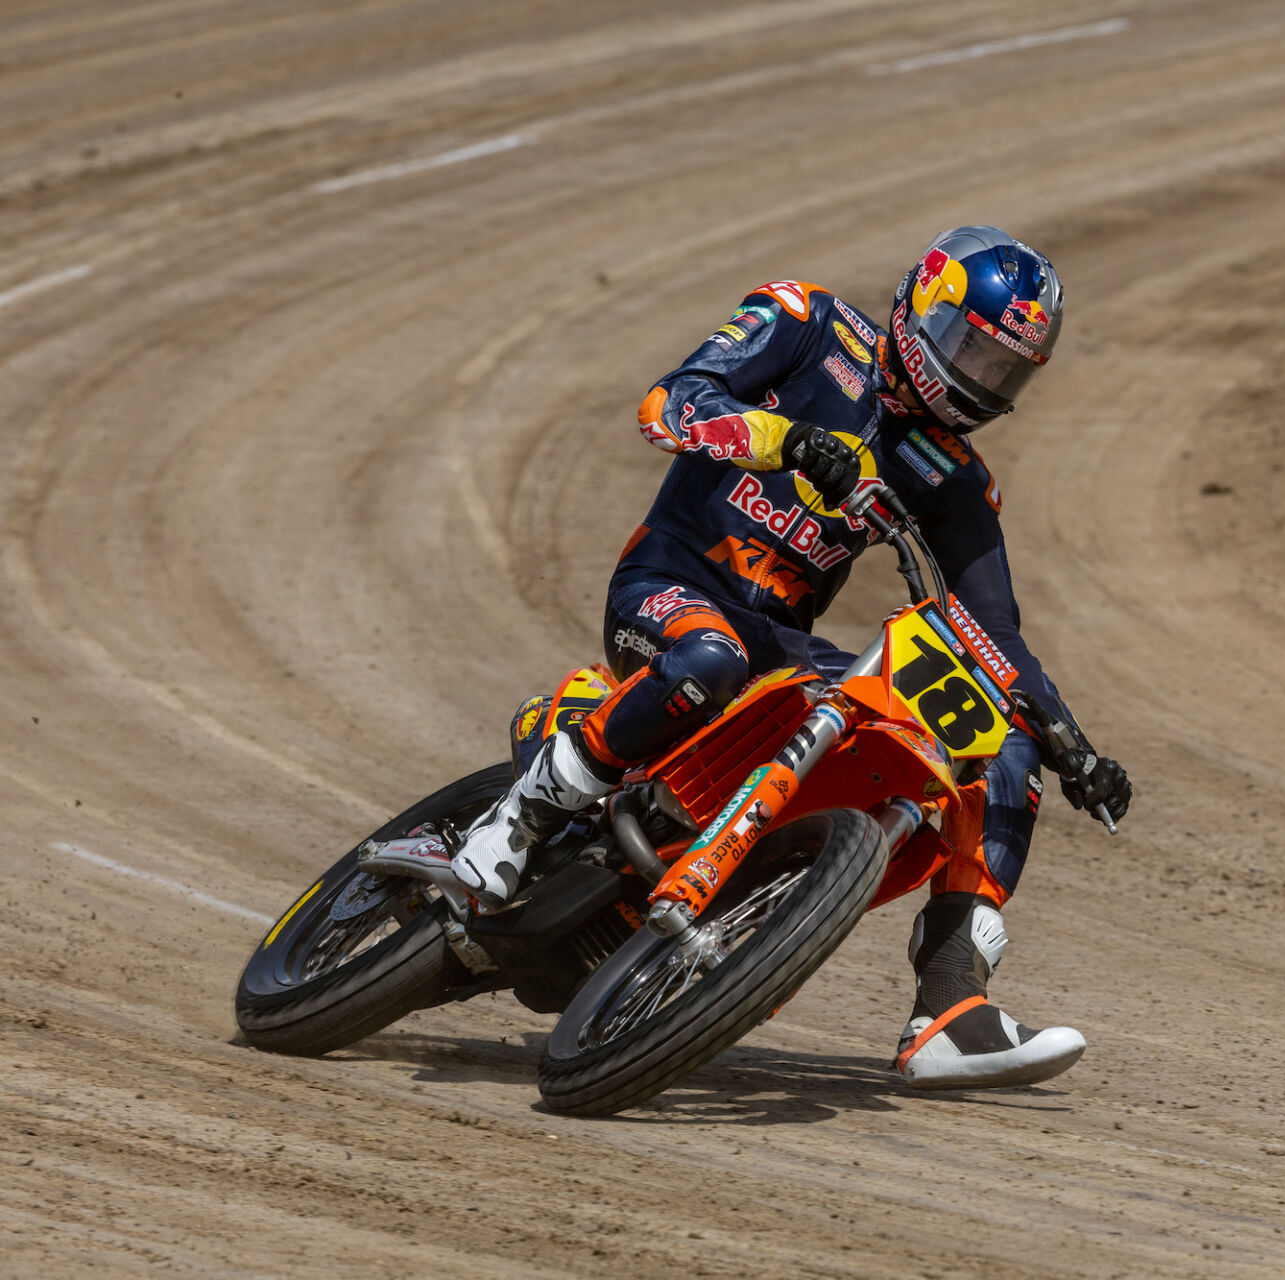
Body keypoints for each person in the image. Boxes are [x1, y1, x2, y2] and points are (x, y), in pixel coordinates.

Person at [451, 226, 1131, 1089]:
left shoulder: (951, 472)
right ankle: (523, 812)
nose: (977, 379)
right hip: (671, 587)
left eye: (1004, 370)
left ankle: (952, 1004)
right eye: (970, 349)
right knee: (710, 657)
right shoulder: (808, 322)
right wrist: (783, 440)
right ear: (923, 304)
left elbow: (992, 628)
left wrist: (1071, 742)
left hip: (776, 647)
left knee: (996, 741)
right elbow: (670, 404)